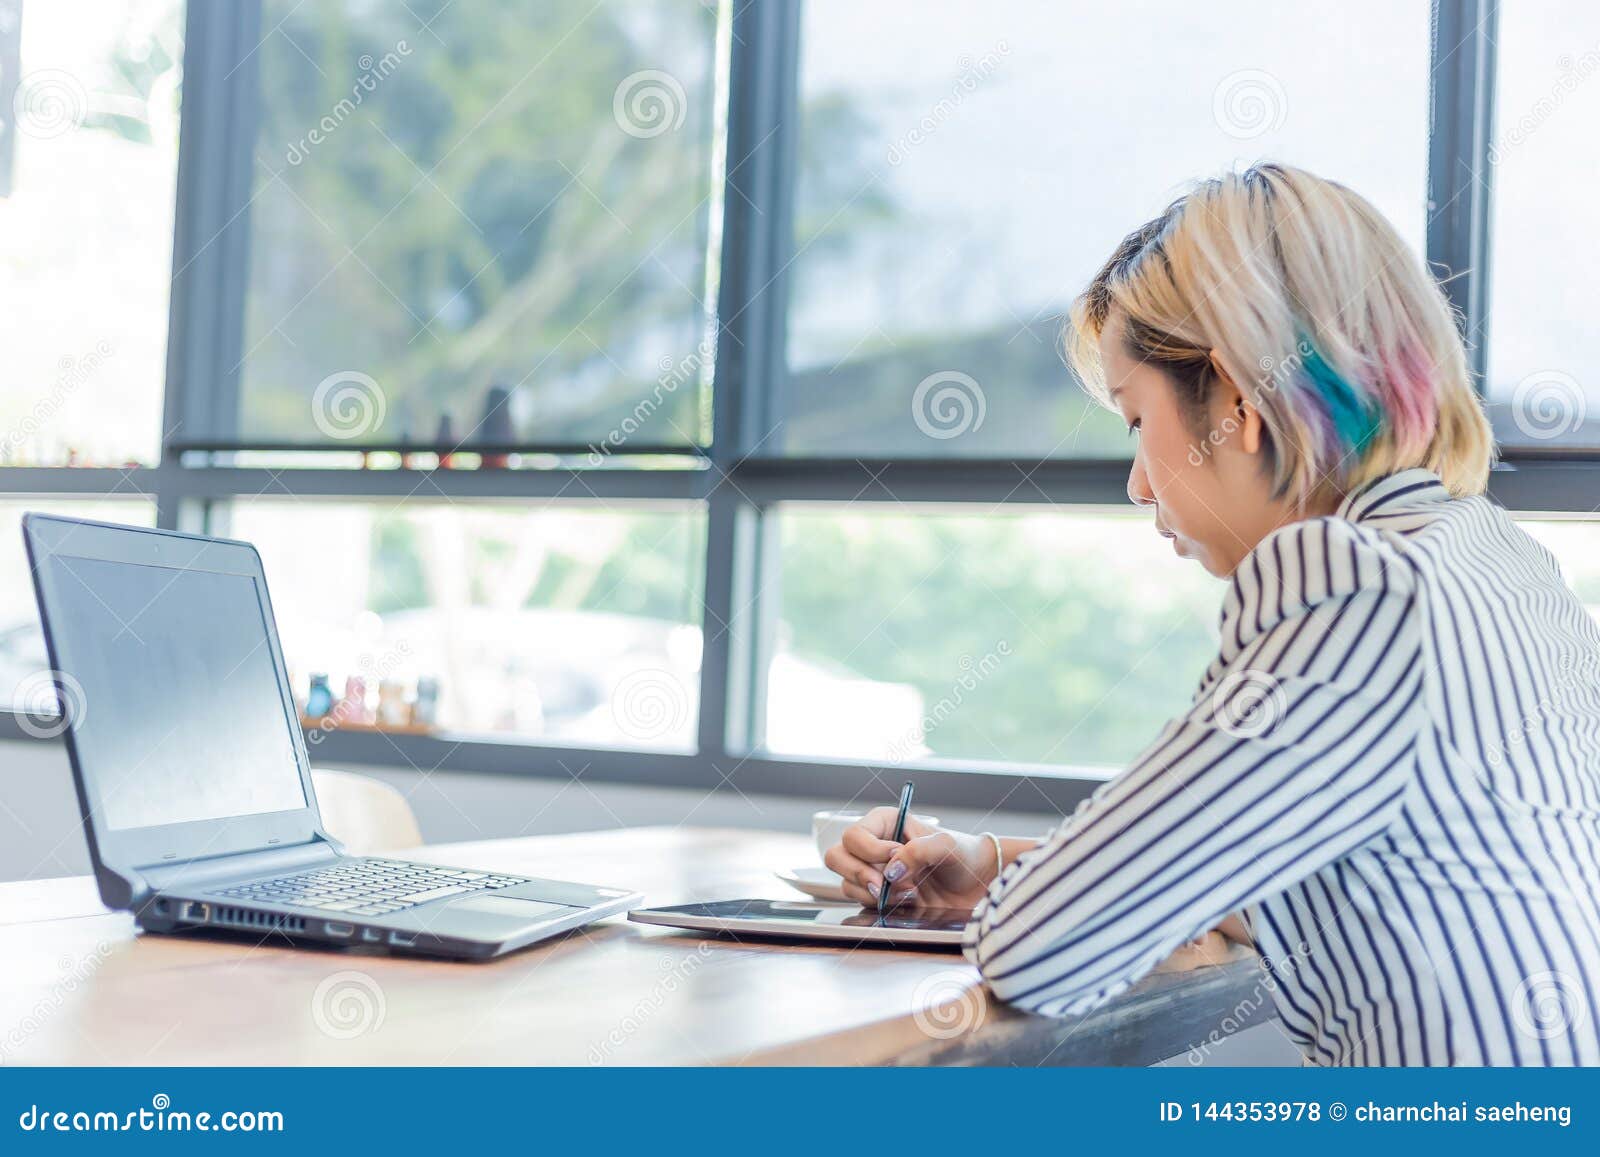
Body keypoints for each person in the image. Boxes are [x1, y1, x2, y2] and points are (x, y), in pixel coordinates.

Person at [825, 163, 1600, 1066]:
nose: (1137, 483)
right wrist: (992, 861)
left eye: (1133, 419)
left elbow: (1038, 952)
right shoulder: (1494, 555)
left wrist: (1021, 901)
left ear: (1236, 400)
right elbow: (1362, 873)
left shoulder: (1350, 586)